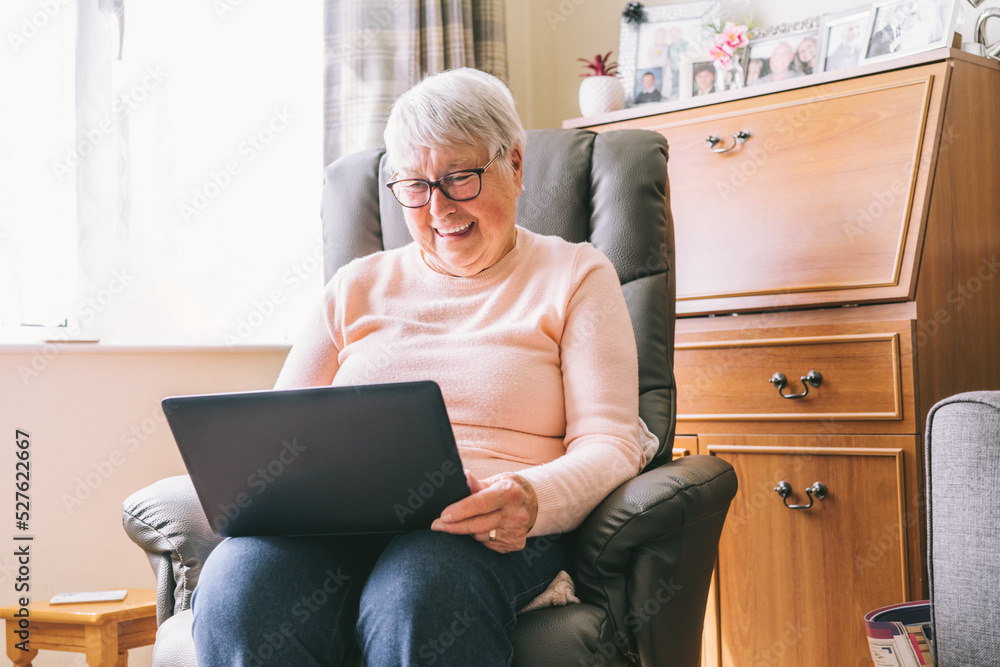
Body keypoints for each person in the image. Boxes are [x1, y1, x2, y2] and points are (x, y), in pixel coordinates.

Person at [190, 67, 654, 666]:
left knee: (418, 594)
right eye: (413, 185)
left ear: (515, 165)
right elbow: (277, 432)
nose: (438, 208)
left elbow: (612, 442)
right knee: (239, 588)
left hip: (484, 524)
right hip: (336, 523)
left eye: (459, 178)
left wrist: (530, 497)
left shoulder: (576, 275)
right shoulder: (355, 286)